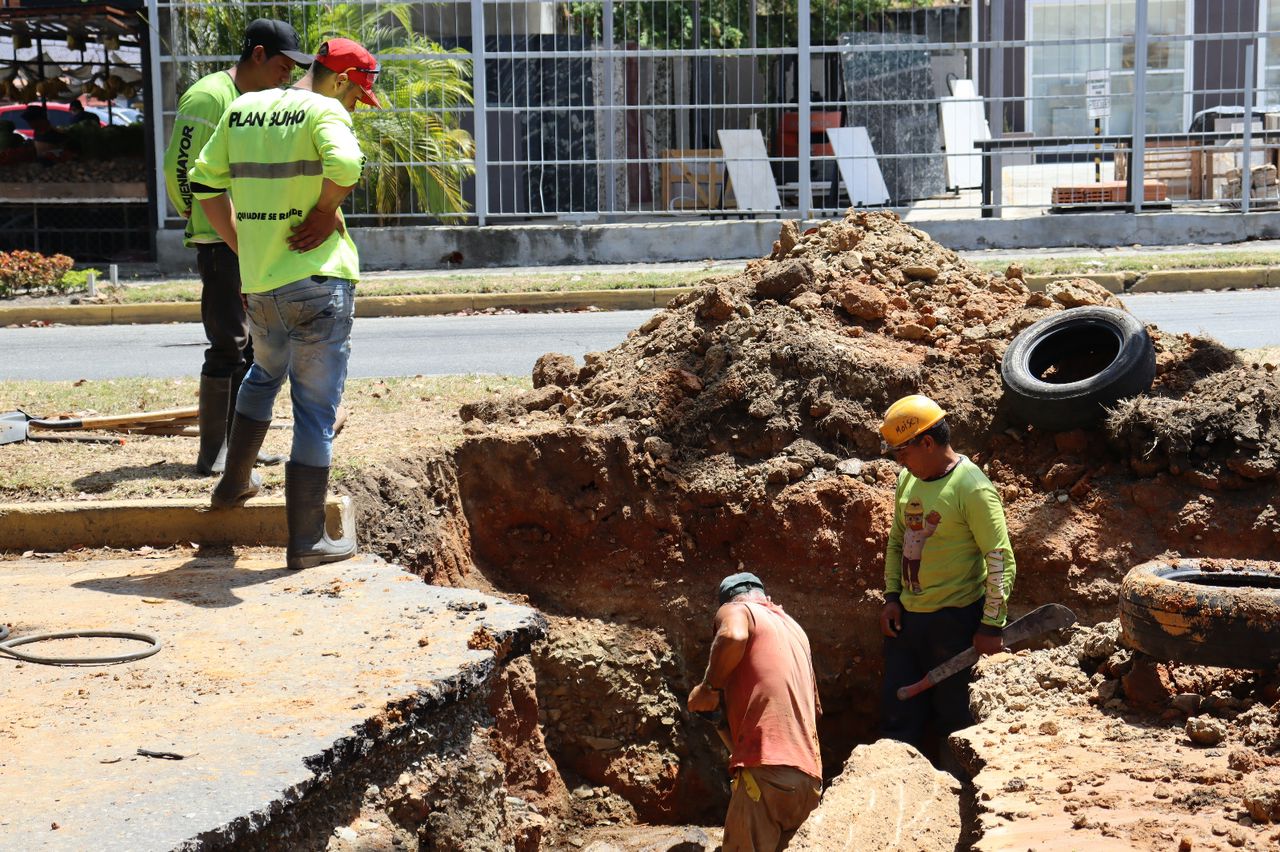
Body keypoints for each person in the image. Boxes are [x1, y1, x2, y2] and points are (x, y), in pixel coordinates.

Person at [189, 37, 380, 570]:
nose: (352, 109)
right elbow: (345, 165)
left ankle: (233, 483)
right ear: (339, 79)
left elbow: (203, 181)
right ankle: (307, 541)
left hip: (263, 284)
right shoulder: (324, 110)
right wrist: (324, 213)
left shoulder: (243, 108)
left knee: (264, 373)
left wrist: (241, 246)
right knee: (316, 411)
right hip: (319, 284)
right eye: (355, 98)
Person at [162, 18, 307, 475]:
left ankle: (241, 445)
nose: (286, 77)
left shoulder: (261, 101)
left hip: (251, 241)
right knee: (228, 343)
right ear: (258, 55)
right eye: (283, 67)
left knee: (252, 348)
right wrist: (197, 216)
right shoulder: (210, 96)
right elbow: (179, 168)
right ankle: (213, 454)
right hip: (220, 240)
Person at [878, 394, 1016, 756]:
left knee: (955, 716)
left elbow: (1000, 558)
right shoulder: (909, 480)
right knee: (898, 709)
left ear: (927, 442)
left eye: (902, 453)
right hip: (908, 623)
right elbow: (897, 541)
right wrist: (892, 597)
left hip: (954, 624)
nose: (900, 462)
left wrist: (990, 625)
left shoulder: (972, 488)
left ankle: (957, 792)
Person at [687, 572, 822, 852]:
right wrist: (718, 719)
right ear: (766, 597)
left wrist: (709, 688)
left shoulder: (738, 609)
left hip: (767, 777)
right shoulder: (797, 632)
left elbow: (733, 635)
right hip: (808, 783)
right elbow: (815, 709)